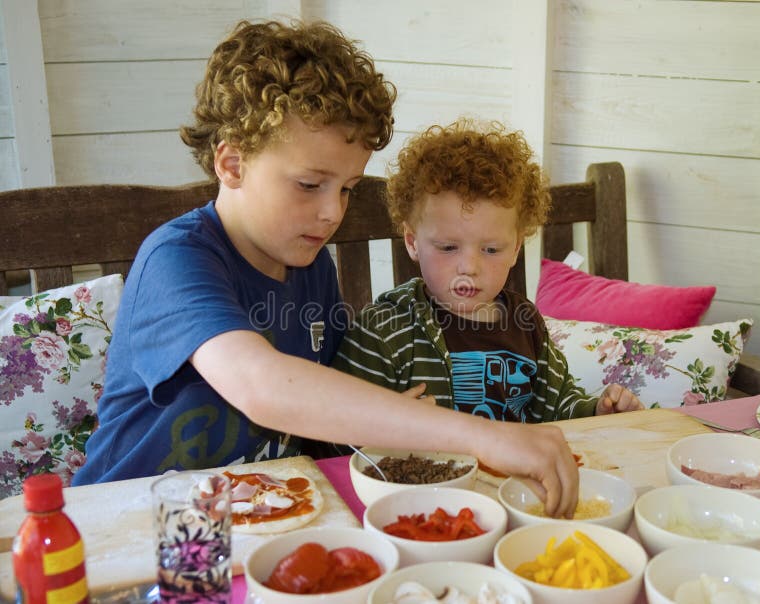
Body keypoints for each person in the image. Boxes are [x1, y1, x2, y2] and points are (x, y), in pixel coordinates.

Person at [73, 20, 579, 518]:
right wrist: (485, 436)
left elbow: (335, 397)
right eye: (310, 185)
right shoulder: (177, 260)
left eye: (347, 189)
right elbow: (264, 386)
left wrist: (394, 416)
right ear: (231, 164)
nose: (332, 213)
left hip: (247, 521)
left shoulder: (310, 265)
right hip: (121, 526)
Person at [333, 119, 643, 425]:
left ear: (516, 249)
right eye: (448, 247)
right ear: (413, 242)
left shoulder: (525, 324)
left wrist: (597, 412)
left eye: (491, 250)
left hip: (511, 475)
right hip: (423, 473)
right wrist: (380, 424)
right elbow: (331, 436)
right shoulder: (385, 330)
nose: (470, 267)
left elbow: (558, 407)